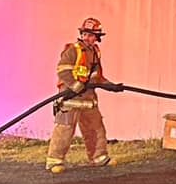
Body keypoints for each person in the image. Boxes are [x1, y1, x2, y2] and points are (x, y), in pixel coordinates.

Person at [48, 16, 124, 174]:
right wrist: (76, 86)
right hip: (70, 98)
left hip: (88, 98)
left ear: (97, 37)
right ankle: (54, 161)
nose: (87, 37)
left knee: (96, 128)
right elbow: (63, 71)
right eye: (85, 34)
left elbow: (97, 77)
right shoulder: (72, 50)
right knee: (64, 129)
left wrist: (111, 86)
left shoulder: (95, 52)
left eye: (90, 35)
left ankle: (99, 157)